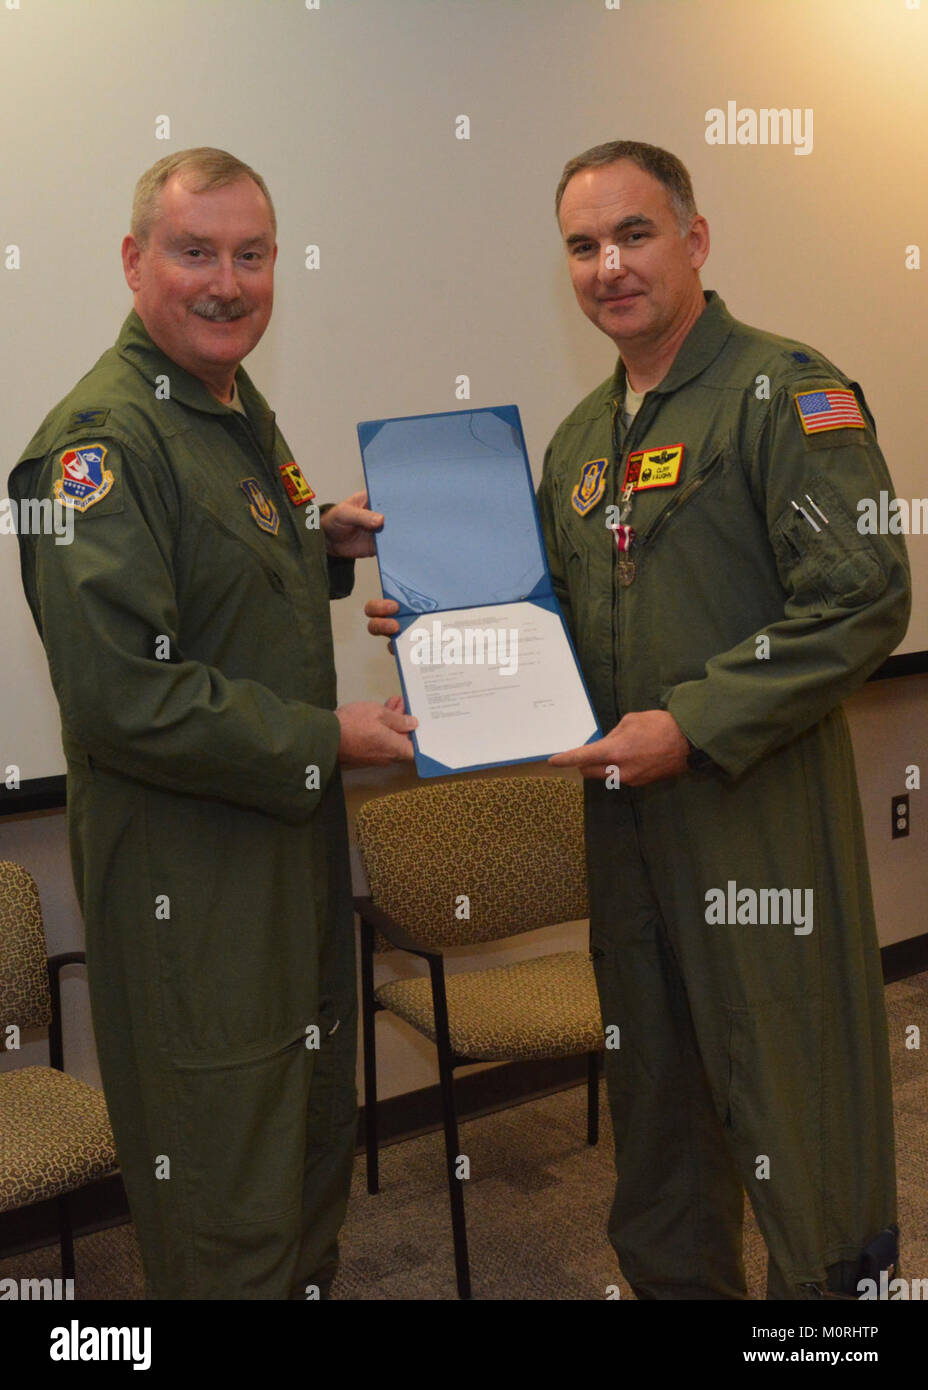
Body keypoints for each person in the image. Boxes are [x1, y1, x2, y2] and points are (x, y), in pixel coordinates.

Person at [367, 141, 910, 1299]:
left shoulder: (785, 393)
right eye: (580, 245)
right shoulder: (576, 446)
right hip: (622, 832)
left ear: (694, 238)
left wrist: (695, 722)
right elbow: (555, 631)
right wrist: (448, 631)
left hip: (753, 819)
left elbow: (863, 594)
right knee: (656, 1111)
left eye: (633, 234)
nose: (607, 265)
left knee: (795, 1102)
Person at [8, 147, 416, 1300]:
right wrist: (325, 736)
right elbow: (125, 692)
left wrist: (314, 542)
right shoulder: (95, 445)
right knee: (226, 1191)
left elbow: (214, 585)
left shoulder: (228, 406)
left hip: (284, 859)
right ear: (136, 262)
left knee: (303, 1153)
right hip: (192, 889)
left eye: (250, 255)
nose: (226, 283)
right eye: (195, 253)